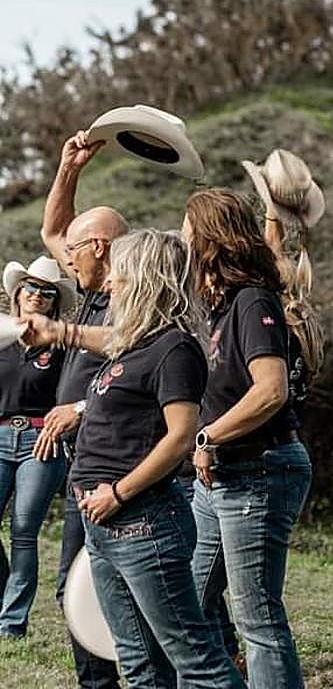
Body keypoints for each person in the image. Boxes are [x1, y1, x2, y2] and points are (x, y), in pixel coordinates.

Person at [25, 230, 245, 687]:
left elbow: (182, 436)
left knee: (198, 662)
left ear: (145, 279)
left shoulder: (175, 348)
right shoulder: (137, 342)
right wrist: (54, 330)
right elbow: (105, 339)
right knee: (141, 664)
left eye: (119, 274)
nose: (110, 284)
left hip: (139, 523)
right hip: (103, 525)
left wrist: (119, 492)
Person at [184, 188, 311, 688]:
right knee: (192, 600)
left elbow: (271, 391)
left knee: (257, 615)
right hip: (220, 478)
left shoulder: (253, 300)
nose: (181, 238)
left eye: (187, 228)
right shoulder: (213, 306)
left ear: (210, 238)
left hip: (260, 471)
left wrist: (206, 438)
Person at [37, 128, 128, 686]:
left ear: (98, 246)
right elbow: (52, 229)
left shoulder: (139, 296)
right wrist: (69, 167)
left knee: (122, 590)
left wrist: (82, 409)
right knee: (75, 589)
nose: (64, 261)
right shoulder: (92, 288)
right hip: (82, 467)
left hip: (123, 469)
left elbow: (147, 385)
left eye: (74, 252)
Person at [0, 256, 71, 639]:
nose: (38, 296)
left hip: (41, 440)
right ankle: (3, 601)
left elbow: (77, 389)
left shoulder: (62, 343)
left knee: (24, 531)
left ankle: (11, 624)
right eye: (32, 287)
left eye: (48, 292)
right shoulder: (1, 333)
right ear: (18, 291)